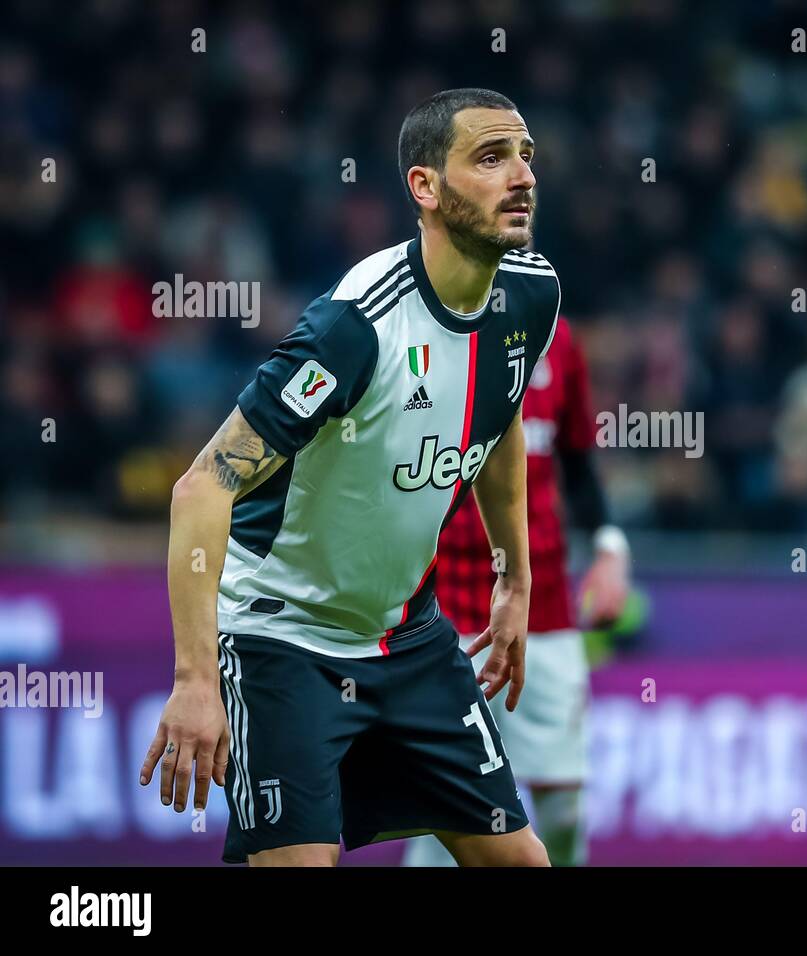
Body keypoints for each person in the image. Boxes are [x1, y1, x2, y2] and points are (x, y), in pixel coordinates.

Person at [139, 88, 558, 866]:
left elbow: (501, 424)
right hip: (280, 637)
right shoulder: (355, 327)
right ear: (425, 189)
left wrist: (515, 578)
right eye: (492, 158)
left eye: (526, 155)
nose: (522, 176)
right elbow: (201, 487)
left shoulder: (532, 293)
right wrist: (196, 680)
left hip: (406, 634)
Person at [403, 315, 629, 867]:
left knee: (565, 809)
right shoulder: (423, 327)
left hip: (545, 603)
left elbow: (576, 458)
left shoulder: (561, 337)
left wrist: (609, 546)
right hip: (442, 607)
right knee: (443, 810)